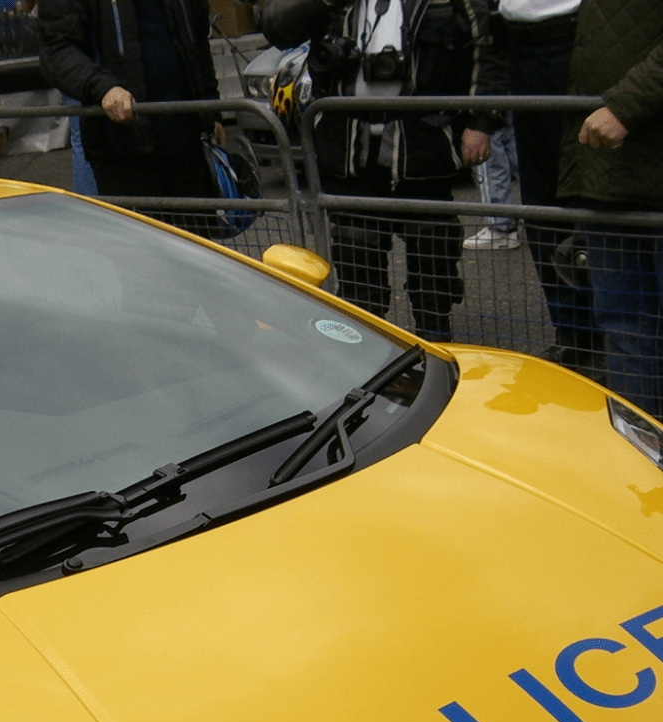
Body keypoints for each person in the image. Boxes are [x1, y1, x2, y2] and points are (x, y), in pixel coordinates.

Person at [262, 0, 502, 341]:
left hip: (423, 150)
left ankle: (435, 347)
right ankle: (367, 359)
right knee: (358, 270)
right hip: (348, 154)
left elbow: (489, 51)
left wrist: (481, 121)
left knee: (433, 258)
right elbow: (277, 28)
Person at [558, 0, 663, 416]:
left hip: (633, 160)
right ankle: (637, 457)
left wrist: (623, 106)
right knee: (623, 325)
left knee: (627, 325)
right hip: (610, 174)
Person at [495, 0, 600, 372]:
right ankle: (573, 337)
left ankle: (606, 341)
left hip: (574, 34)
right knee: (541, 213)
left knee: (584, 201)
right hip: (517, 41)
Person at [38, 0, 222, 200]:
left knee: (193, 229)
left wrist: (211, 109)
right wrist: (102, 87)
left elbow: (196, 38)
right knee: (141, 228)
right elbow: (57, 49)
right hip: (122, 150)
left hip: (188, 144)